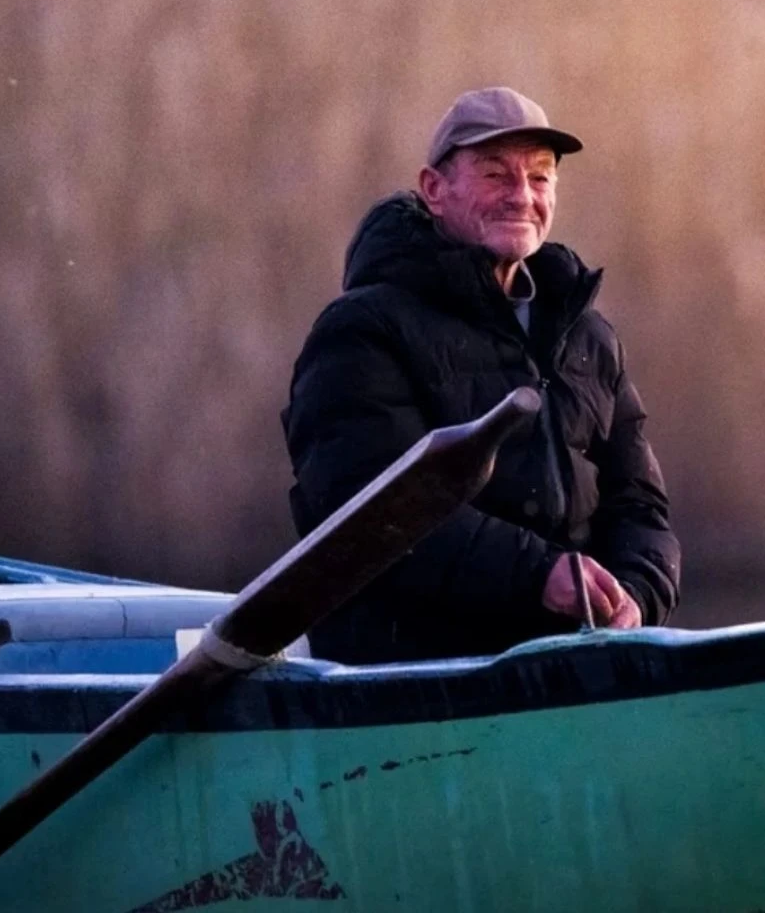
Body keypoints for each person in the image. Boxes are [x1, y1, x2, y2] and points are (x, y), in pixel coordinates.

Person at [282, 87, 681, 663]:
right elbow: (371, 513)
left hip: (575, 675)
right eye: (496, 175)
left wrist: (635, 599)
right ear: (434, 190)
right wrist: (539, 576)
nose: (522, 196)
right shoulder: (362, 331)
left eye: (540, 178)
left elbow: (641, 507)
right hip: (414, 686)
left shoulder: (589, 338)